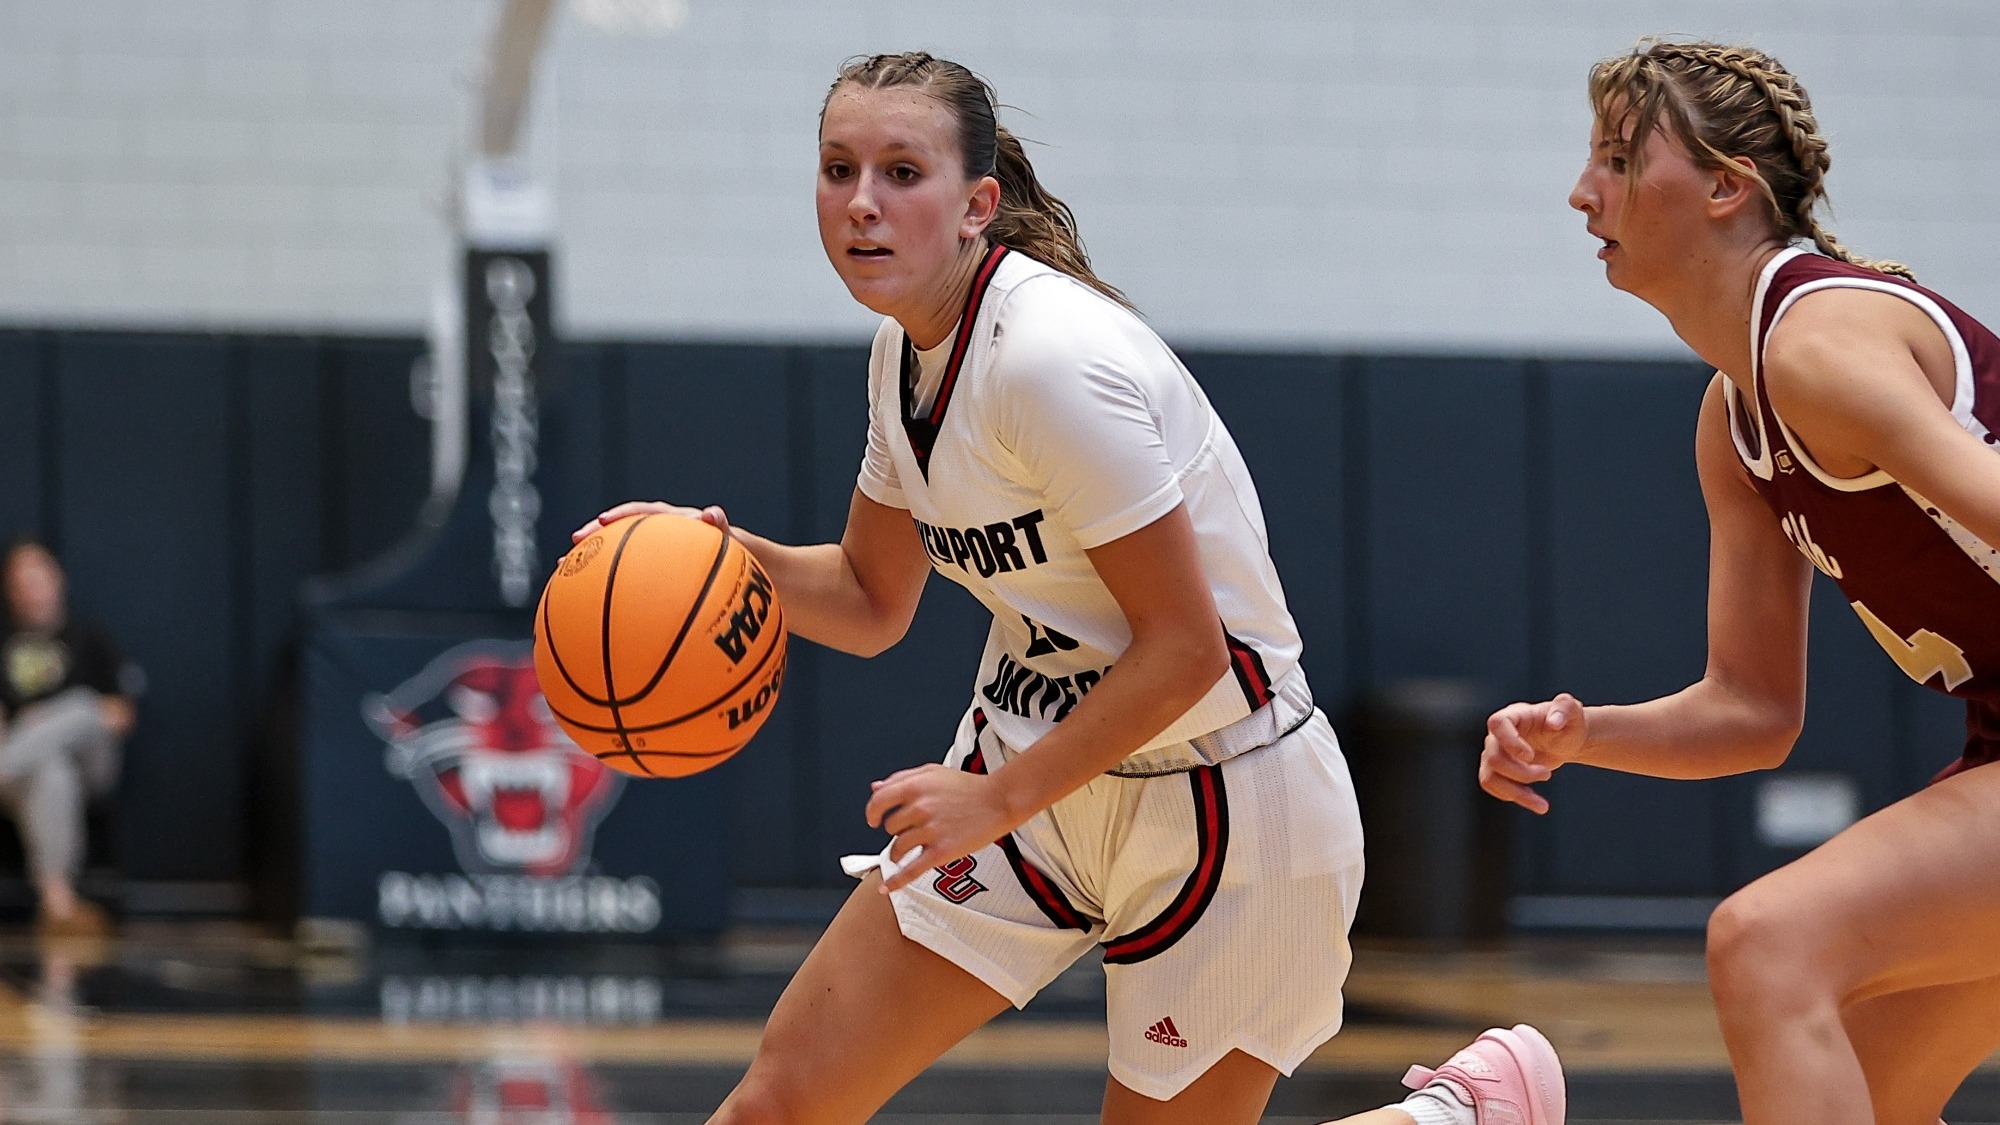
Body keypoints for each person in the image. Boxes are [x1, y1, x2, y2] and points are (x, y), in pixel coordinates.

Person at [577, 52, 1563, 1125]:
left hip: (1223, 796)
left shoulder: (1047, 361)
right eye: (837, 168)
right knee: (783, 1103)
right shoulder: (899, 356)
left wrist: (993, 800)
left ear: (975, 205)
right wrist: (716, 557)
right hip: (1040, 774)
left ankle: (1454, 1118)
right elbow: (868, 599)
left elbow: (1185, 647)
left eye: (901, 171)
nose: (861, 201)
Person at [1479, 38, 2000, 1125]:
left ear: (1725, 186)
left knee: (1766, 942)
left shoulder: (1818, 346)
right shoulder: (1733, 418)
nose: (1581, 193)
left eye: (1618, 161)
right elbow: (1751, 713)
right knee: (1876, 1086)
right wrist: (1584, 735)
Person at [0, 538, 133, 937]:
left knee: (81, 706)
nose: (31, 591)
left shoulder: (89, 638)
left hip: (91, 762)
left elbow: (121, 715)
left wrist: (48, 722)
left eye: (38, 579)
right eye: (21, 584)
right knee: (50, 770)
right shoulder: (3, 644)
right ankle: (59, 904)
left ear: (58, 581)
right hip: (26, 774)